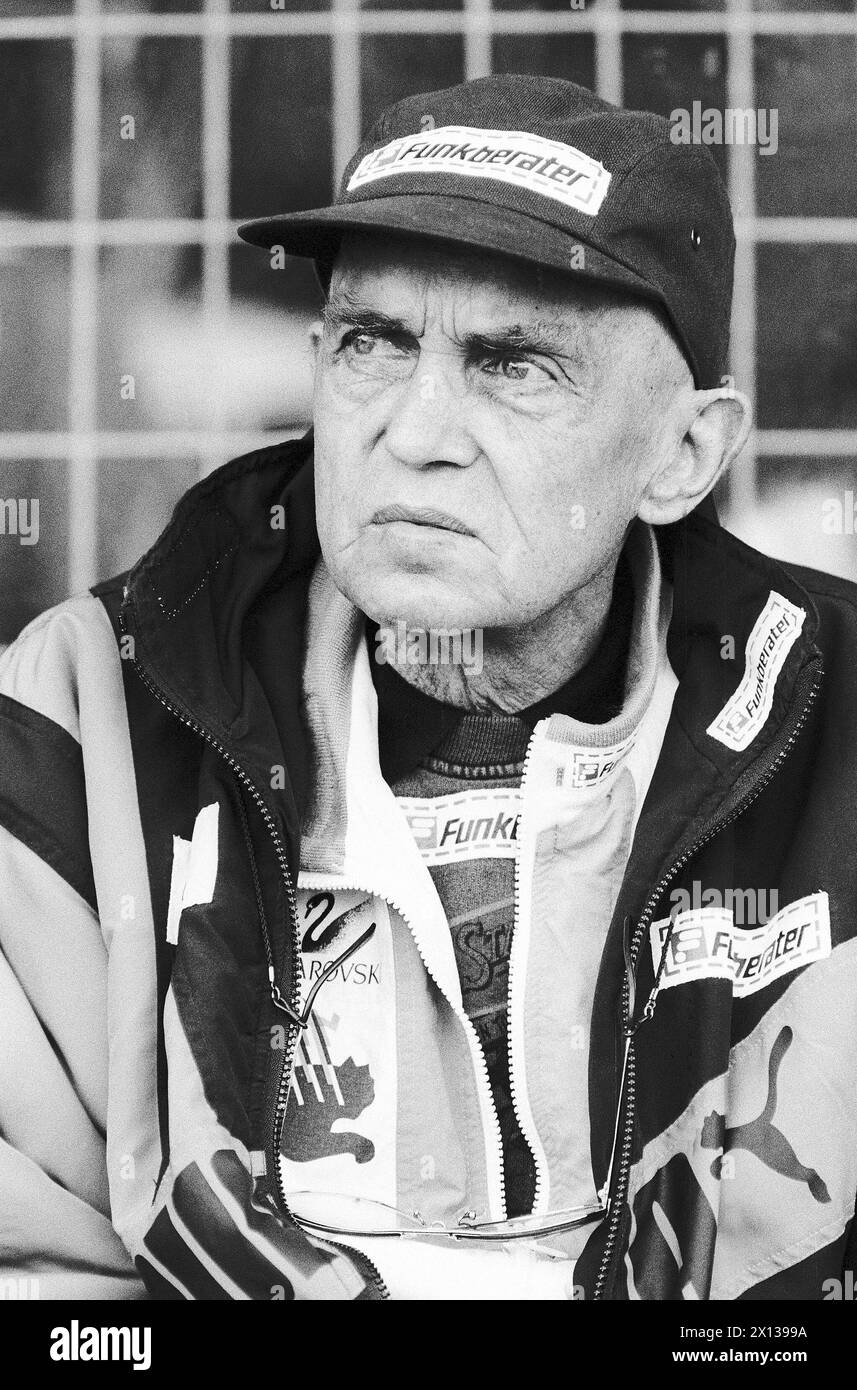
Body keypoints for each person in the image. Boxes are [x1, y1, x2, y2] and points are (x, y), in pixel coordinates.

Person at [1, 74, 855, 1302]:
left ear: (680, 455)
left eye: (511, 364)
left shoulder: (834, 731)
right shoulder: (80, 724)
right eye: (374, 344)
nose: (413, 430)